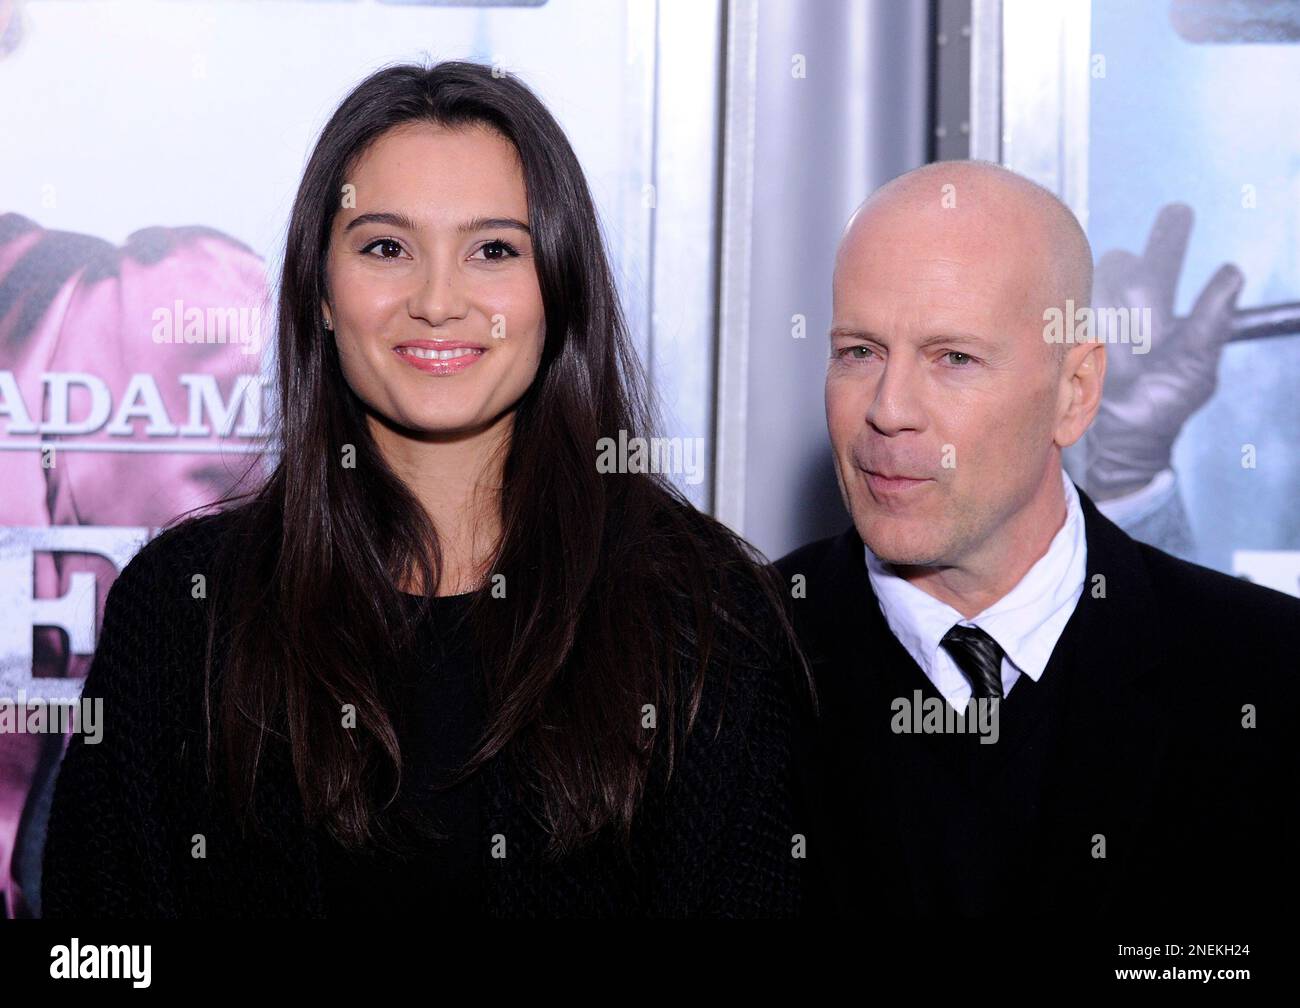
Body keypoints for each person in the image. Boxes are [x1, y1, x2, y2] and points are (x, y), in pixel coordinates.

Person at [41, 60, 812, 919]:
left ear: (558, 286)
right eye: (385, 247)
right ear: (323, 293)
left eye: (492, 250)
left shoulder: (706, 616)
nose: (438, 301)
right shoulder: (184, 611)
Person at [778, 159, 1297, 918]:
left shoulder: (1267, 681)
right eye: (859, 351)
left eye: (953, 357)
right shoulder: (718, 671)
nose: (888, 410)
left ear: (1075, 392)